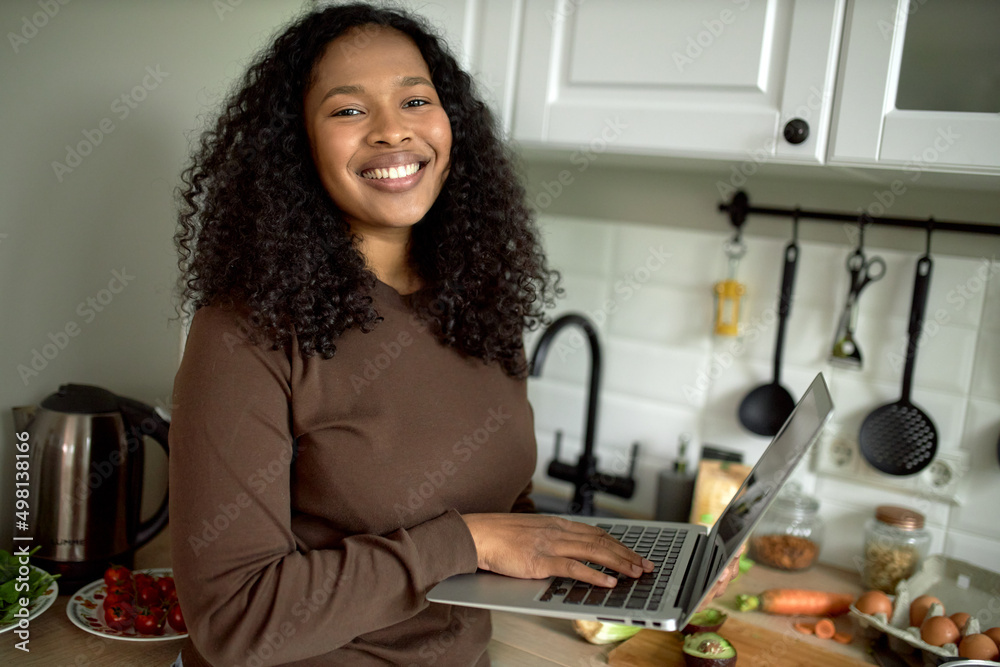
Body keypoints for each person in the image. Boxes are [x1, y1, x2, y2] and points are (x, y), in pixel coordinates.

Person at [170, 4, 735, 666]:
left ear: (450, 122)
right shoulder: (244, 331)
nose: (392, 131)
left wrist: (631, 560)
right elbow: (236, 620)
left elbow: (501, 513)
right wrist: (466, 541)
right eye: (349, 110)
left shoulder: (478, 302)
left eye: (415, 99)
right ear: (296, 143)